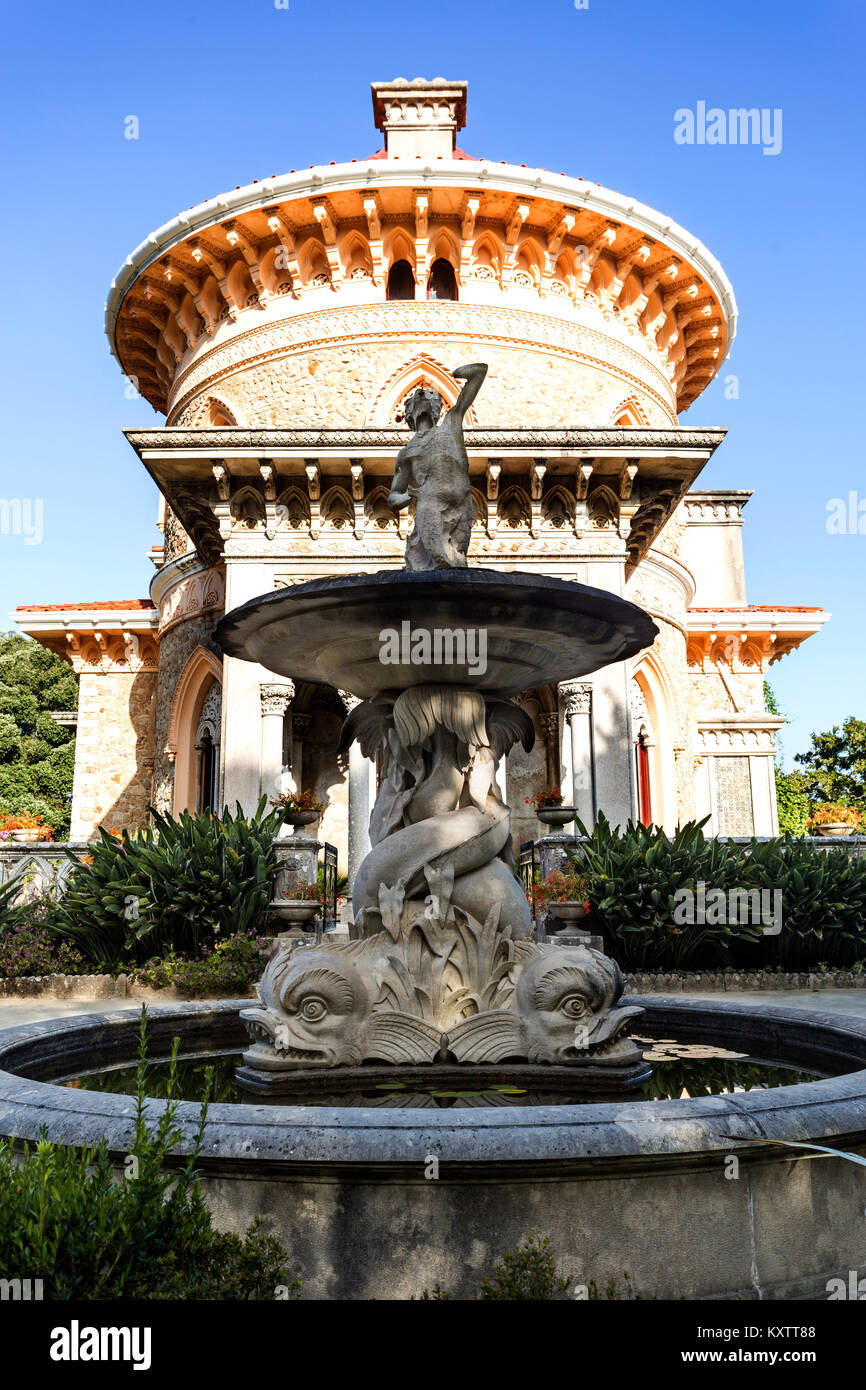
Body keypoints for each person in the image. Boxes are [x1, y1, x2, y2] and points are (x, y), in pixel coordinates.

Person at [387, 363, 488, 570]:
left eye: (428, 395)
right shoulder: (407, 452)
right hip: (431, 505)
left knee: (458, 561)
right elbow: (393, 497)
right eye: (415, 396)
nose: (422, 394)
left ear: (437, 407)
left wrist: (467, 374)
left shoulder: (451, 425)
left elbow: (480, 374)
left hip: (462, 503)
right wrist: (411, 495)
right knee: (441, 563)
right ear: (408, 414)